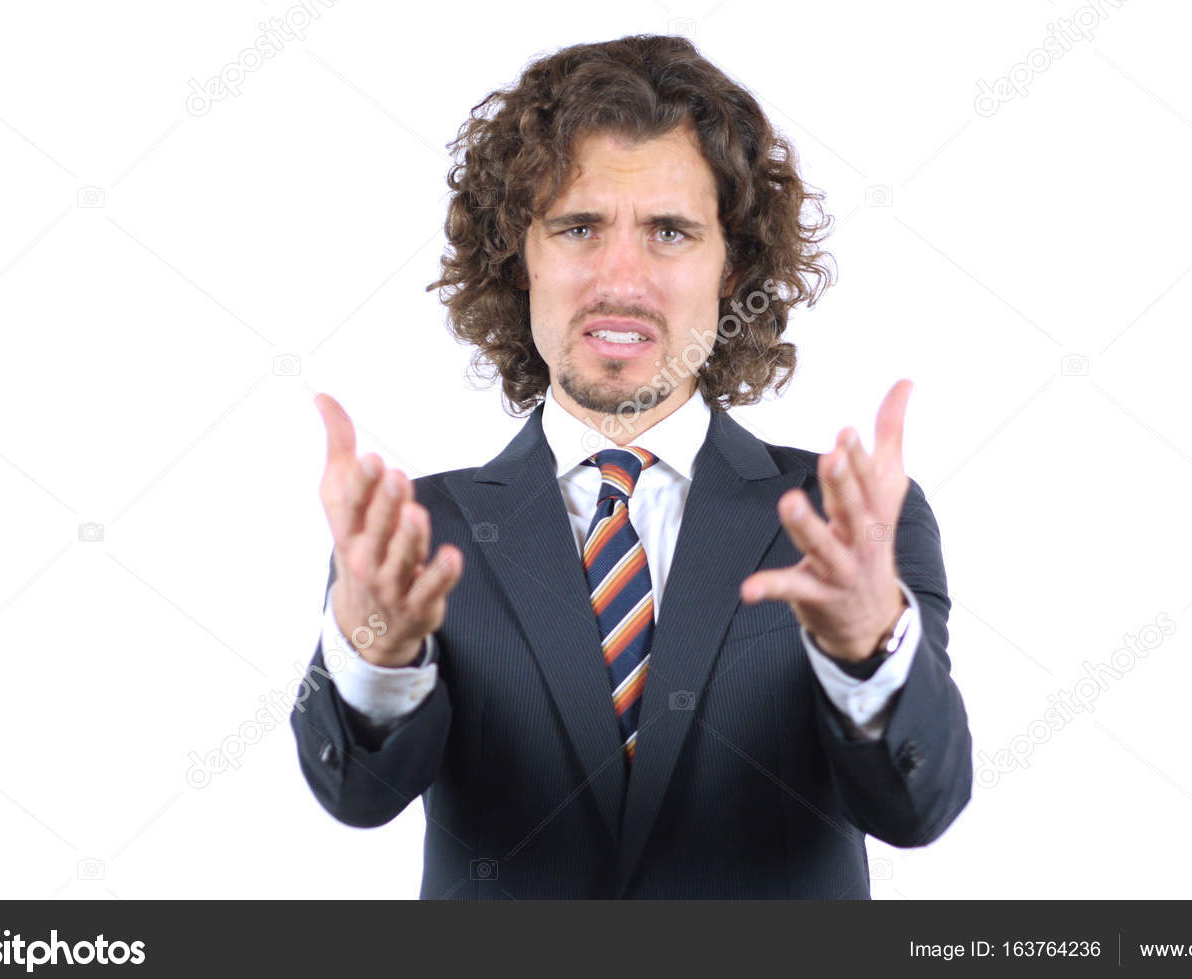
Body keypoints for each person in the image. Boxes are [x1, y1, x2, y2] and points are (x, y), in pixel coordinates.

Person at [290, 34, 972, 899]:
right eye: (579, 227)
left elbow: (920, 806)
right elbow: (357, 794)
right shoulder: (409, 537)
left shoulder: (850, 521)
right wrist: (370, 650)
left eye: (670, 232)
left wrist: (873, 647)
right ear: (518, 255)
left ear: (733, 268)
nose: (622, 277)